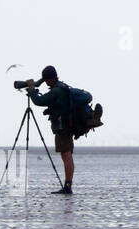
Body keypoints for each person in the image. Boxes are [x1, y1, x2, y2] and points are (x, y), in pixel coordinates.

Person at [26, 65, 102, 195]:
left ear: (49, 79)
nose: (45, 82)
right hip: (68, 125)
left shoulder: (56, 91)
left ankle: (67, 186)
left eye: (45, 80)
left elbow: (39, 101)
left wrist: (32, 90)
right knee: (67, 155)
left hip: (63, 127)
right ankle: (67, 185)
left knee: (66, 155)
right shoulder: (62, 87)